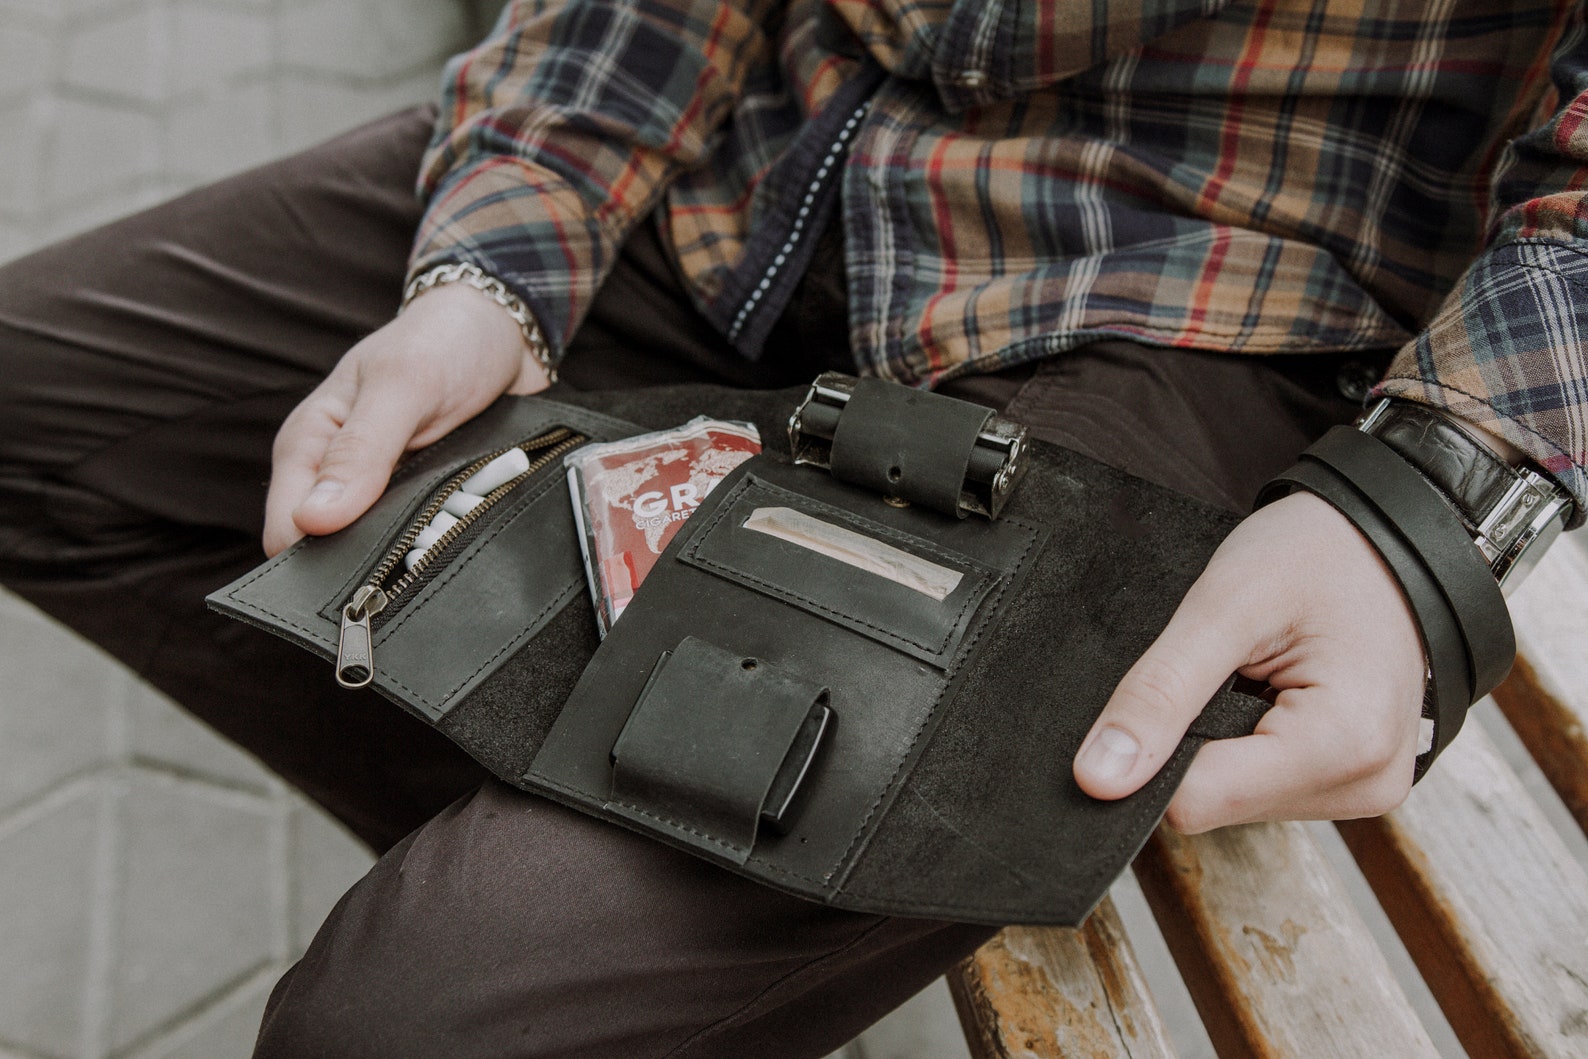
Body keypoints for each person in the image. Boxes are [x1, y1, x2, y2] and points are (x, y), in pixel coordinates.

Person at [0, 0, 1582, 1054]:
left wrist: (1436, 503)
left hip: (1203, 290)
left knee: (408, 1025)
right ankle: (612, 876)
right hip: (757, 149)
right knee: (34, 409)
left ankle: (604, 909)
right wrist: (507, 243)